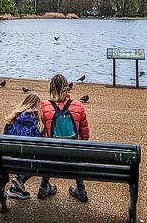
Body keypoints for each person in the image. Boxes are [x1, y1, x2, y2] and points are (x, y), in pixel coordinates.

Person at [39, 73, 90, 202]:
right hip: (73, 153)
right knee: (76, 153)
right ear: (67, 88)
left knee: (47, 153)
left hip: (50, 153)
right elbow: (85, 136)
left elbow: (39, 132)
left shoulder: (44, 106)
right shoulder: (78, 106)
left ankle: (44, 187)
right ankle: (81, 189)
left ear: (51, 88)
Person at [3, 93, 45, 199]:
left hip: (11, 159)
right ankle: (19, 181)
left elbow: (5, 137)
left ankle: (16, 186)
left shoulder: (12, 119)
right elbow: (40, 143)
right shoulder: (38, 123)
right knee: (38, 158)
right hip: (29, 161)